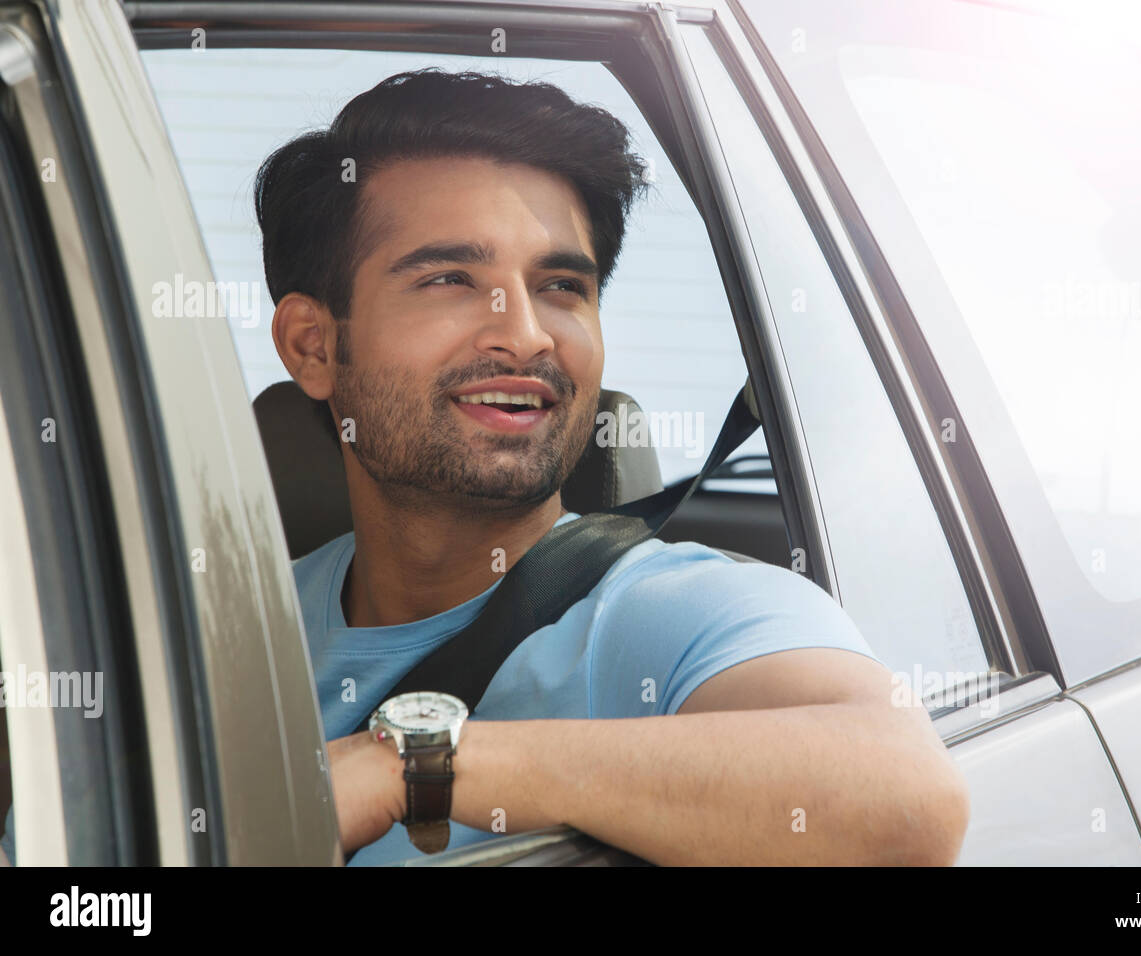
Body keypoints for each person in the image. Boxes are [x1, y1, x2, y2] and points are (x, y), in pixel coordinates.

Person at [0, 67, 969, 868]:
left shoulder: (670, 609)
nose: (524, 332)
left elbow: (904, 799)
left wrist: (410, 766)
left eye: (561, 286)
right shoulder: (199, 650)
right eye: (450, 278)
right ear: (312, 345)